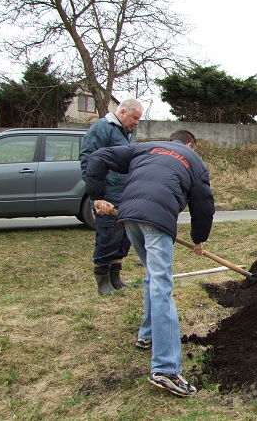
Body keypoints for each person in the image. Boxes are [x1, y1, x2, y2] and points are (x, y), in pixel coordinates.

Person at [85, 130, 215, 397]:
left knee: (152, 277)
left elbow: (97, 158)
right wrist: (199, 239)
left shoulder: (144, 148)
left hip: (129, 215)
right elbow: (204, 206)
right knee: (161, 285)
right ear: (190, 144)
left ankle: (147, 334)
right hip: (156, 220)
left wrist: (97, 196)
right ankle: (166, 368)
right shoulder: (195, 160)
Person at [80, 98, 142, 295]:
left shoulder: (129, 134)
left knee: (123, 239)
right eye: (134, 117)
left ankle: (116, 278)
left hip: (125, 197)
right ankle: (103, 282)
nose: (136, 122)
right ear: (122, 112)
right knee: (108, 237)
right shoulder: (102, 128)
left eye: (139, 119)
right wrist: (98, 197)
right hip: (108, 197)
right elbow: (89, 163)